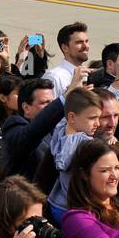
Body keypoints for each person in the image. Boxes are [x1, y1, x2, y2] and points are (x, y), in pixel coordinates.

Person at [46, 86, 102, 222]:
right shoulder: (85, 142)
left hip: (55, 203)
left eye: (99, 117)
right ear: (72, 117)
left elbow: (64, 118)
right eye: (92, 118)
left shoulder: (60, 131)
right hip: (74, 209)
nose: (98, 123)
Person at [3, 78, 63, 180]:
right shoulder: (14, 124)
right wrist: (63, 99)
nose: (51, 107)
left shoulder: (55, 130)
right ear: (26, 108)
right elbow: (33, 133)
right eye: (45, 103)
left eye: (52, 102)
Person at [41, 22, 89, 99]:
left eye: (86, 41)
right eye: (79, 42)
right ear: (65, 48)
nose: (85, 46)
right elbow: (48, 109)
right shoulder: (54, 78)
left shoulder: (88, 75)